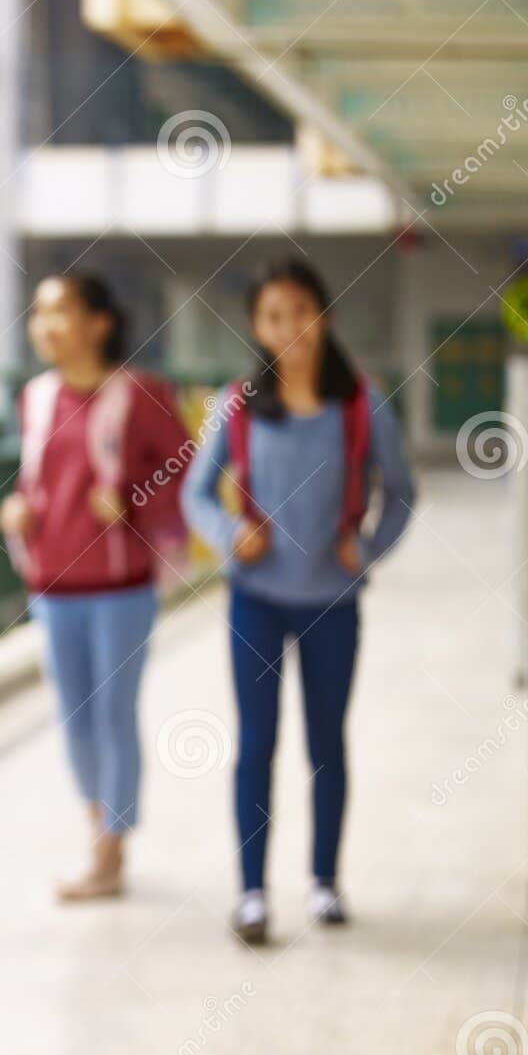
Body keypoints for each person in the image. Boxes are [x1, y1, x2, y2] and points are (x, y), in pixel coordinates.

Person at [181, 256, 416, 944]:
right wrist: (230, 534)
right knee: (256, 745)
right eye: (275, 316)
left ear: (326, 317)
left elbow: (401, 492)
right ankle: (252, 894)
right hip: (255, 599)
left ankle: (324, 883)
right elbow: (196, 493)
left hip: (333, 603)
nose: (292, 328)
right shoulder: (238, 406)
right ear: (257, 325)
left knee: (326, 745)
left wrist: (367, 548)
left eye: (303, 312)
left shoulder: (362, 404)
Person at [0, 272, 190, 902]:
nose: (44, 326)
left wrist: (131, 499)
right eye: (38, 314)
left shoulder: (144, 393)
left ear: (100, 323)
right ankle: (97, 830)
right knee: (75, 717)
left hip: (121, 586)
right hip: (51, 584)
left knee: (113, 714)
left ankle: (110, 849)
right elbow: (38, 479)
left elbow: (184, 468)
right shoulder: (35, 397)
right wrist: (17, 510)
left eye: (59, 312)